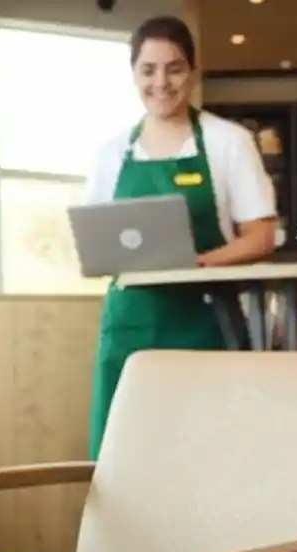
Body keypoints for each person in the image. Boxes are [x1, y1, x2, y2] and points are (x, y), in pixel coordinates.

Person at [84, 16, 277, 459]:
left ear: (192, 72)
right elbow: (96, 235)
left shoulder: (229, 141)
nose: (161, 82)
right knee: (126, 454)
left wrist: (200, 263)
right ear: (133, 74)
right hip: (129, 323)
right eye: (148, 70)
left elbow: (261, 236)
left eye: (174, 68)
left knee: (208, 452)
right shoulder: (112, 152)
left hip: (205, 321)